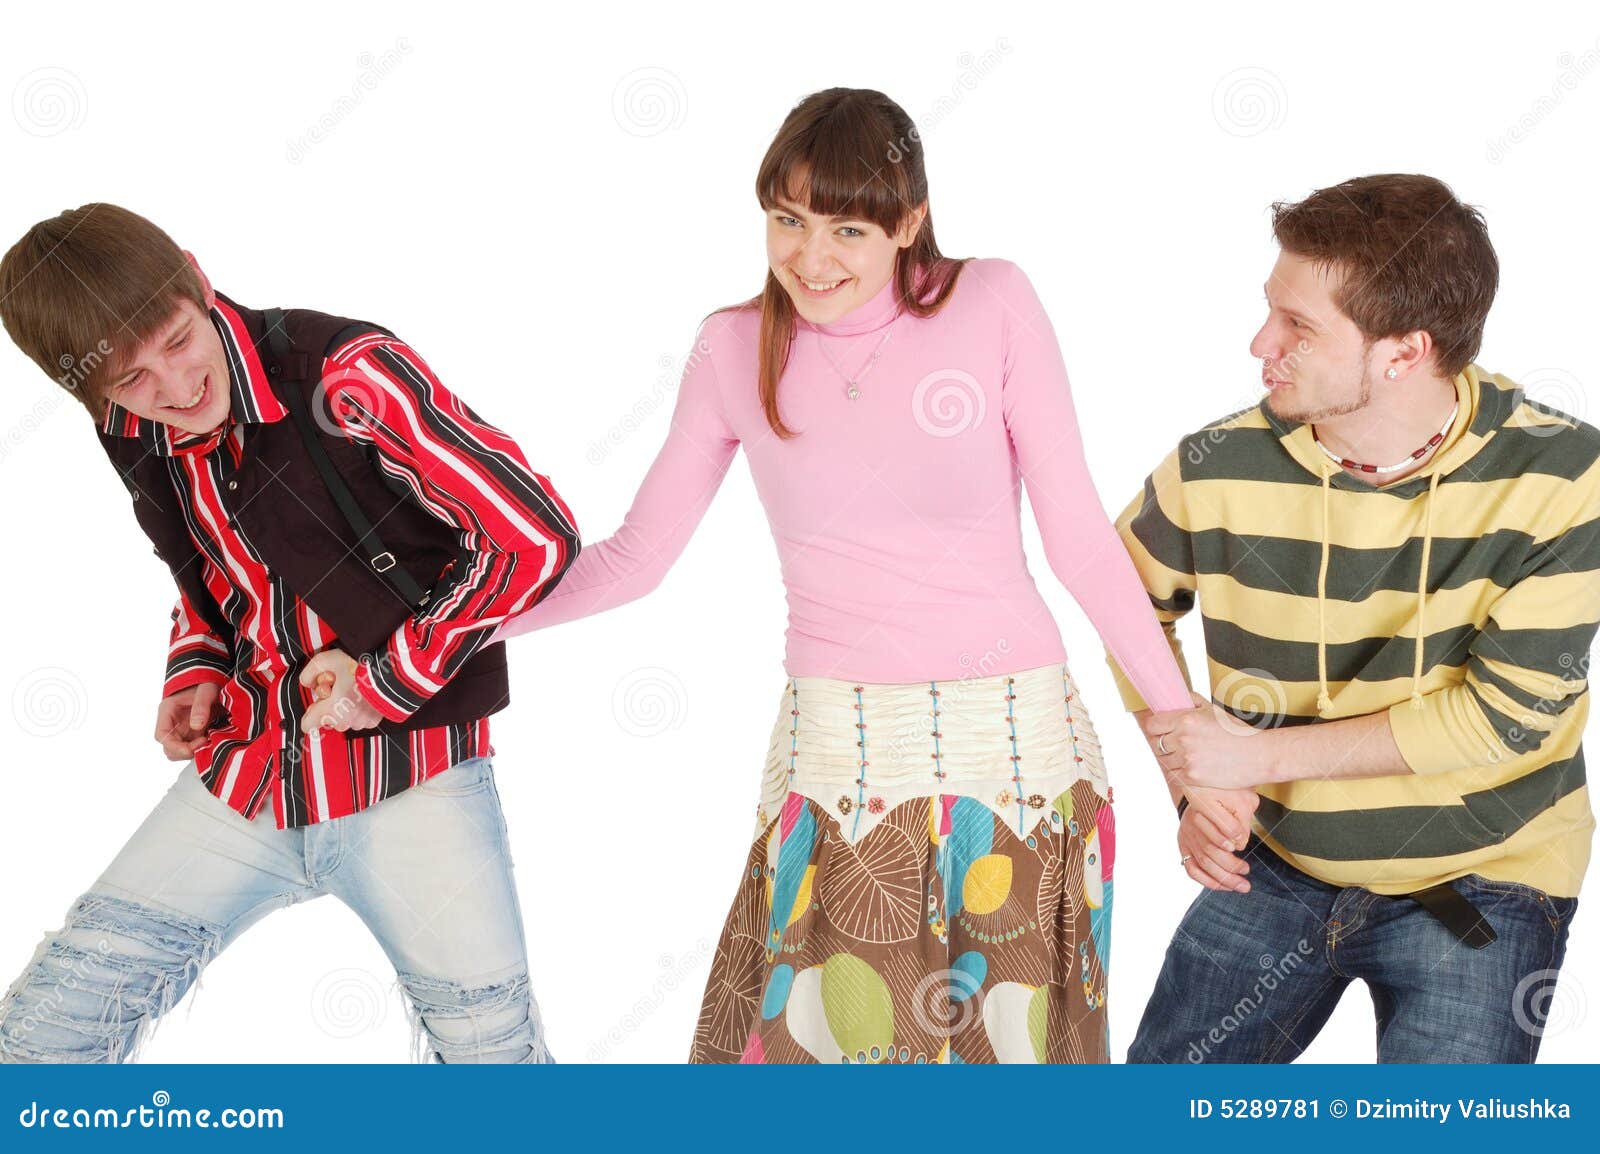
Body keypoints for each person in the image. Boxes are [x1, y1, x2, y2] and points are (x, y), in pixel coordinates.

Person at [491, 87, 1256, 1064]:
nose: (811, 257)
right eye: (788, 220)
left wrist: (1185, 755)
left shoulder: (993, 301)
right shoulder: (732, 346)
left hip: (1016, 757)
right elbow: (635, 558)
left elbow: (1080, 542)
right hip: (836, 764)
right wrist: (445, 631)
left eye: (848, 228)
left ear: (909, 220)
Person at [0, 204, 579, 1062]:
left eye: (178, 340)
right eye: (130, 381)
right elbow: (212, 569)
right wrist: (196, 666)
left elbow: (530, 536)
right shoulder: (132, 432)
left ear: (197, 278)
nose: (175, 388)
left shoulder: (344, 374)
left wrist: (383, 685)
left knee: (496, 1068)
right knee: (40, 1037)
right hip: (251, 772)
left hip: (412, 773)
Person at [1116, 174, 1593, 1063]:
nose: (1260, 344)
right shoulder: (1214, 464)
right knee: (1148, 1120)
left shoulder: (1564, 477)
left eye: (1298, 325)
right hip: (1278, 859)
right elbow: (1125, 607)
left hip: (1481, 877)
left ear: (1404, 353)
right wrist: (1196, 783)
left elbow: (1504, 719)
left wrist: (1252, 758)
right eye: (1270, 309)